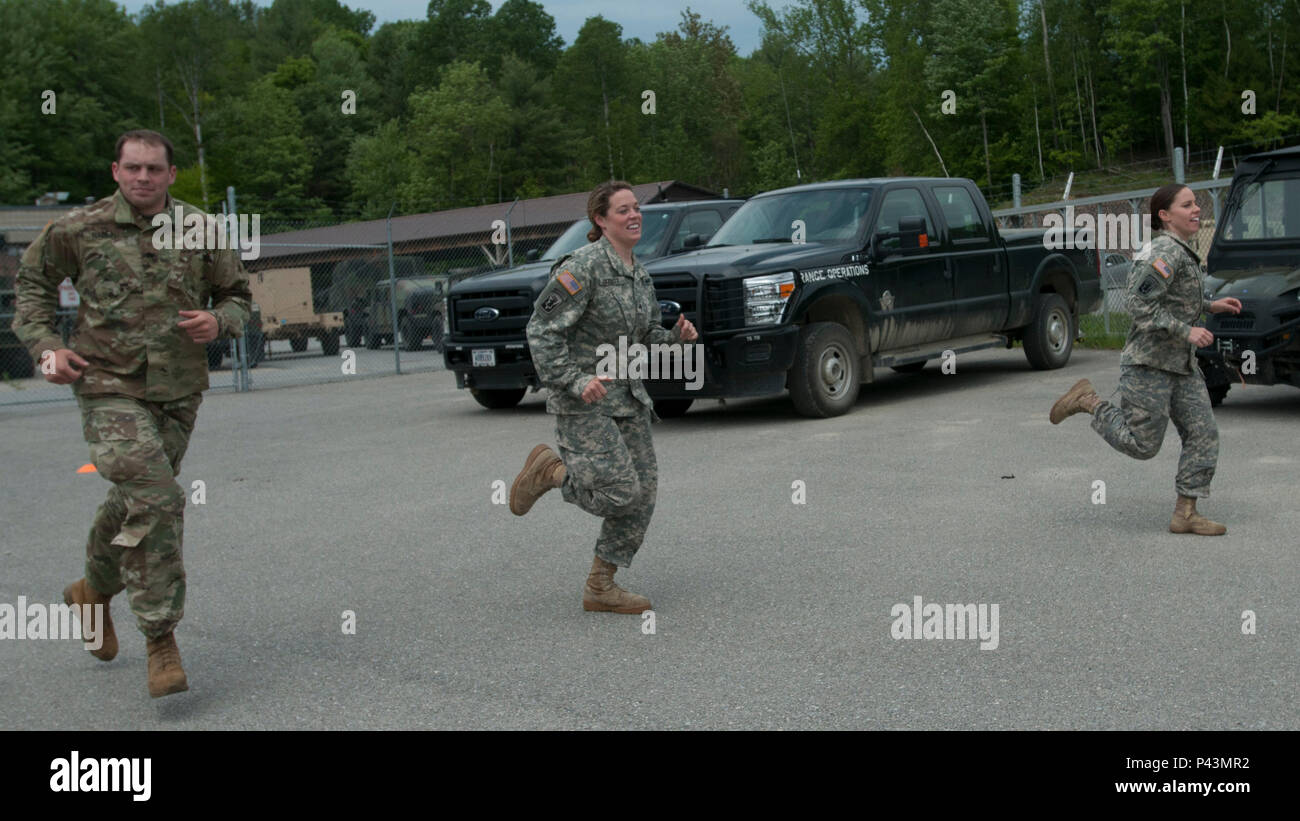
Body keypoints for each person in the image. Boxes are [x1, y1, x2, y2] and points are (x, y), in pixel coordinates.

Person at [11, 129, 252, 696]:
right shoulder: (77, 228)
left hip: (177, 389)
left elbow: (238, 295)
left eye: (154, 169)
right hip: (106, 385)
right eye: (133, 168)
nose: (143, 177)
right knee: (160, 498)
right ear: (115, 171)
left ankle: (92, 591)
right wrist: (47, 348)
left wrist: (221, 322)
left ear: (171, 175)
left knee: (134, 500)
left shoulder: (201, 229)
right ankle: (160, 639)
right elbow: (31, 285)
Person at [510, 181, 698, 613]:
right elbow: (541, 330)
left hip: (627, 398)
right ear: (600, 219)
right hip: (585, 401)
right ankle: (551, 473)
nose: (634, 216)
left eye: (637, 209)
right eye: (623, 210)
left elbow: (645, 337)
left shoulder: (638, 272)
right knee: (618, 492)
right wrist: (575, 381)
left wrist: (676, 338)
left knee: (643, 494)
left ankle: (600, 586)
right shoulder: (583, 268)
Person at [1049, 183, 1242, 535]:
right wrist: (1187, 331)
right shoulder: (1162, 253)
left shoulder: (1182, 251)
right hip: (1149, 364)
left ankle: (1185, 512)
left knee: (1203, 434)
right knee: (1142, 446)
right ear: (1165, 216)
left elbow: (1173, 300)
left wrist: (1210, 306)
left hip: (1181, 366)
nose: (1197, 209)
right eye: (1187, 205)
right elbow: (1139, 306)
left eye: (1196, 203)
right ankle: (1088, 401)